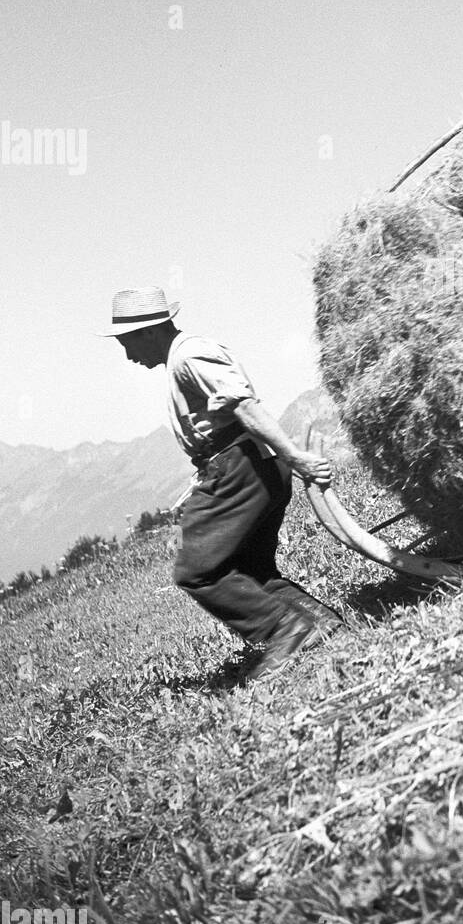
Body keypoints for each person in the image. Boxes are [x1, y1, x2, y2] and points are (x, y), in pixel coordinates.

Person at [99, 286, 344, 683]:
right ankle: (321, 625)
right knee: (250, 569)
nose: (128, 355)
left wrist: (295, 457)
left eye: (127, 342)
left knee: (196, 570)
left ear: (148, 331)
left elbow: (243, 405)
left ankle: (287, 631)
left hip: (238, 470)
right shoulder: (185, 357)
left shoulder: (188, 356)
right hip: (249, 466)